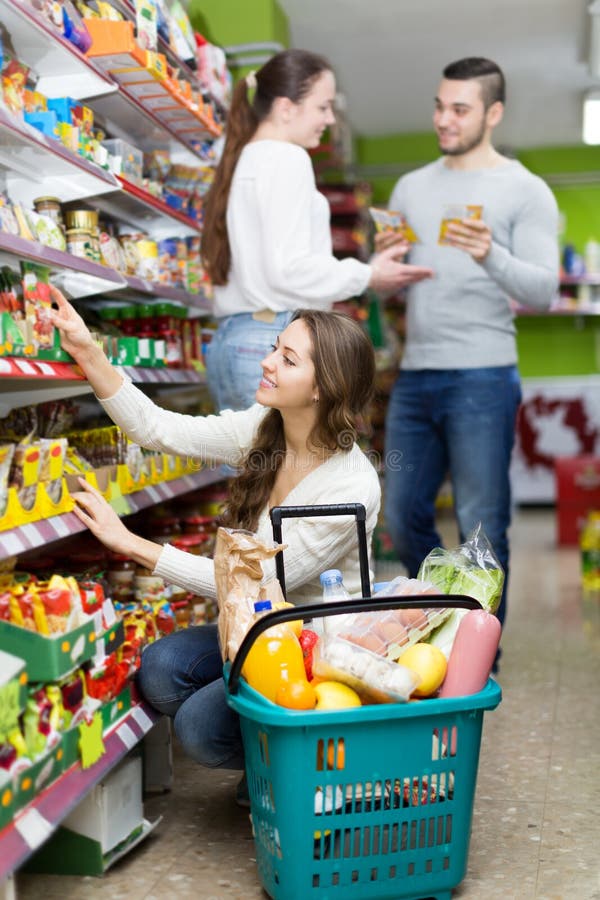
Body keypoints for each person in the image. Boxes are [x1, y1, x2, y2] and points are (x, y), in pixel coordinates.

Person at [48, 285, 381, 780]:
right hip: (257, 625)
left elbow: (257, 581)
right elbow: (158, 429)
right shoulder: (265, 427)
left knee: (200, 728)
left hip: (318, 646)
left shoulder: (350, 485)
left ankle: (290, 767)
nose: (267, 362)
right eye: (275, 348)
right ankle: (266, 737)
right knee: (160, 670)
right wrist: (87, 349)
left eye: (287, 359)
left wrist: (131, 544)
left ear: (322, 388)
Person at [377, 57, 560, 629]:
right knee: (401, 515)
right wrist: (384, 268)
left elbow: (545, 290)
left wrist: (490, 254)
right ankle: (443, 619)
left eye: (459, 109)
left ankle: (479, 653)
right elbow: (390, 290)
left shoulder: (526, 190)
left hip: (484, 376)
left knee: (482, 527)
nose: (443, 119)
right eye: (439, 106)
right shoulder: (411, 186)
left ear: (493, 113)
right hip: (416, 376)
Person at [201, 47, 432, 411]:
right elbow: (289, 269)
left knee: (250, 451)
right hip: (273, 342)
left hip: (231, 342)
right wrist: (369, 274)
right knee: (291, 451)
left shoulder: (242, 159)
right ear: (286, 108)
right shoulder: (287, 158)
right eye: (323, 107)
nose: (329, 119)